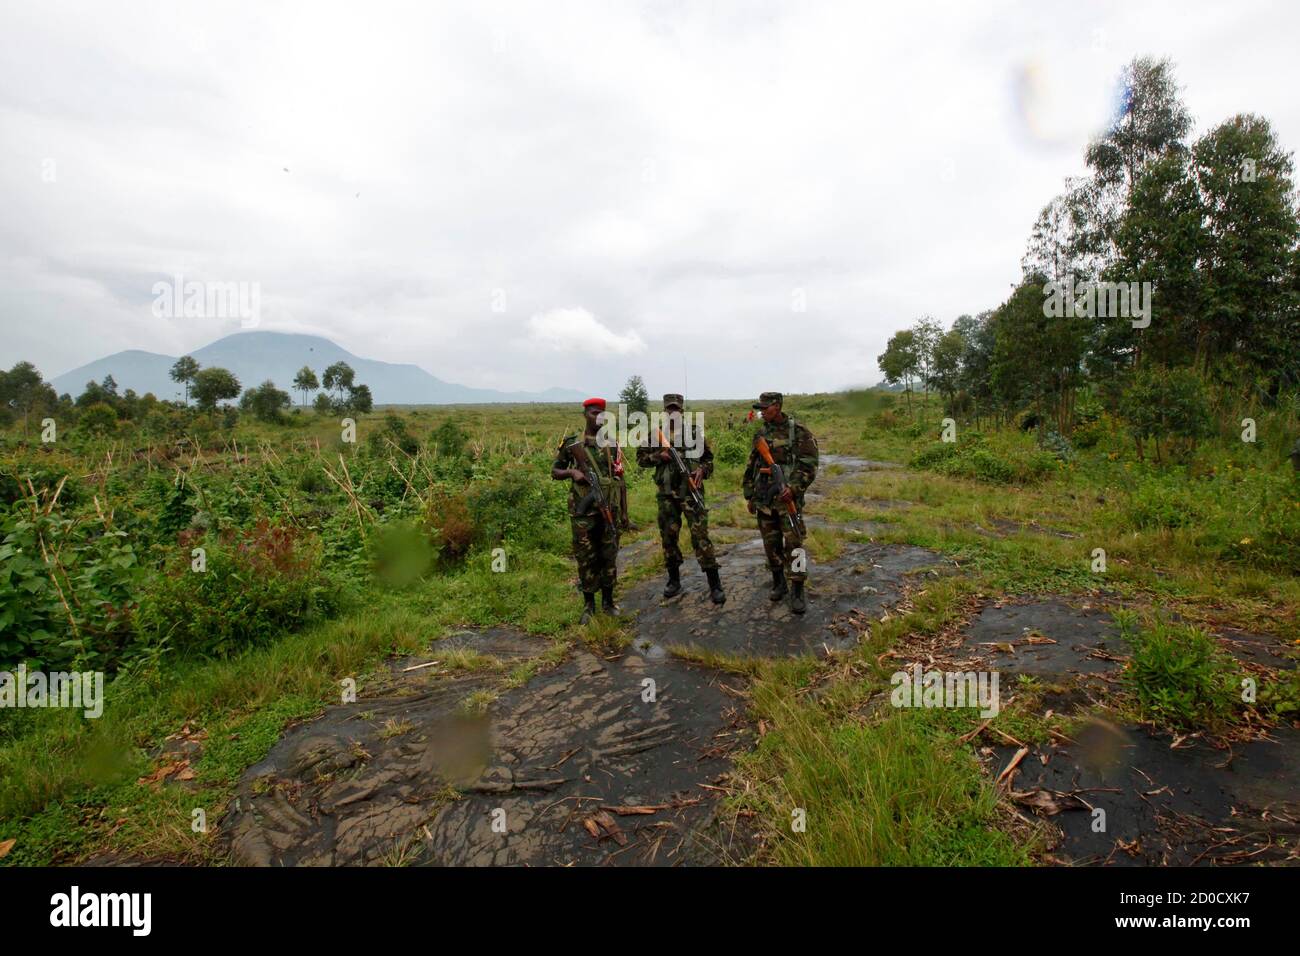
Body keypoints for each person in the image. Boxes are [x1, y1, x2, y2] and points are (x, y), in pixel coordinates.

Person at [636, 393, 725, 605]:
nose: (672, 412)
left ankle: (715, 584)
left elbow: (709, 460)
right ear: (664, 411)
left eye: (676, 409)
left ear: (682, 411)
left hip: (691, 493)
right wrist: (660, 456)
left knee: (701, 537)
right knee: (668, 537)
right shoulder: (655, 435)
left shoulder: (694, 432)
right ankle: (674, 581)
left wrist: (702, 470)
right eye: (669, 409)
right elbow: (641, 459)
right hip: (667, 495)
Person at [551, 398, 627, 622]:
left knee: (609, 555)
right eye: (594, 413)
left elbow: (620, 480)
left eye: (602, 413)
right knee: (585, 558)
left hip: (608, 511)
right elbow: (555, 471)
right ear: (585, 415)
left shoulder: (612, 444)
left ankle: (608, 601)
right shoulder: (572, 444)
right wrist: (572, 473)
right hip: (583, 513)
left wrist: (624, 513)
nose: (599, 417)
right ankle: (588, 605)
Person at [742, 392, 818, 614]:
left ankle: (797, 589)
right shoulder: (761, 433)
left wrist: (793, 488)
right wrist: (750, 495)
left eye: (765, 407)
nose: (762, 411)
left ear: (777, 406)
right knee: (770, 544)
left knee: (794, 545)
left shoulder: (799, 432)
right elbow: (752, 466)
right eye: (761, 407)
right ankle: (779, 583)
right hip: (765, 501)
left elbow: (809, 465)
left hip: (788, 502)